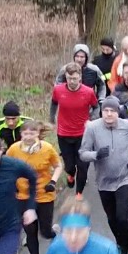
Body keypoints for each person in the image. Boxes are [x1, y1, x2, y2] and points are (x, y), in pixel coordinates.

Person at [79, 97, 128, 254]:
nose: (109, 114)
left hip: (125, 177)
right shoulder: (92, 128)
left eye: (112, 111)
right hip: (104, 180)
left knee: (122, 218)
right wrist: (96, 155)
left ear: (117, 112)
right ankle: (119, 244)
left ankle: (123, 253)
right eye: (106, 110)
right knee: (112, 219)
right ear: (101, 112)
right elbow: (83, 153)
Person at [6, 121, 63, 254]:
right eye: (25, 134)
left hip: (44, 194)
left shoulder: (47, 148)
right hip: (23, 195)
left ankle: (55, 234)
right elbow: (6, 167)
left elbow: (58, 165)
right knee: (30, 230)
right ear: (21, 135)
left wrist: (53, 181)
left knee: (45, 231)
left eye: (32, 134)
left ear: (38, 134)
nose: (29, 137)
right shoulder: (14, 149)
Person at [50, 62, 99, 195]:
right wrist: (51, 119)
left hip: (82, 134)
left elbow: (96, 106)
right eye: (69, 78)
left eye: (75, 78)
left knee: (83, 166)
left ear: (80, 78)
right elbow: (54, 103)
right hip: (64, 133)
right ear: (65, 77)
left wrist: (91, 119)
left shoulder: (88, 92)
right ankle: (70, 174)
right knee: (70, 165)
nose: (72, 81)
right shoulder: (58, 90)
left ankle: (79, 195)